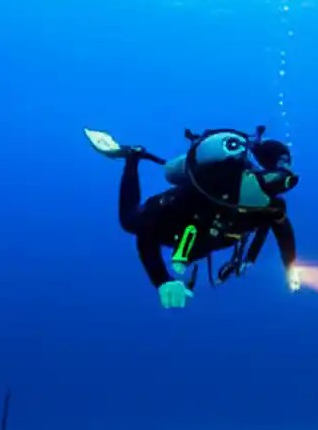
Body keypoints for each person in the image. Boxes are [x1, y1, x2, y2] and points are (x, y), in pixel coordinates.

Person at [87, 125, 302, 309]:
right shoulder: (195, 195)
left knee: (194, 246)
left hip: (205, 239)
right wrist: (162, 281)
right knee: (130, 221)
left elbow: (283, 232)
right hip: (175, 227)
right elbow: (146, 230)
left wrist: (290, 266)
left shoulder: (271, 207)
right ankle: (132, 157)